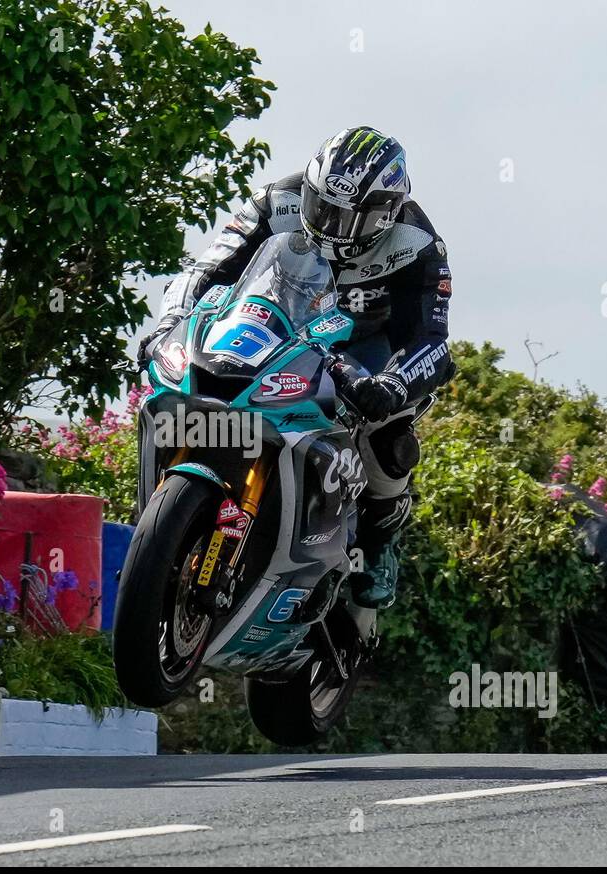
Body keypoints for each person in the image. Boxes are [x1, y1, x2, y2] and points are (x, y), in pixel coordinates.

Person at [139, 127, 455, 608]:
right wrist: (169, 326)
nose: (328, 224)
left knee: (387, 433)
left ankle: (377, 543)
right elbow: (205, 270)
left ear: (386, 214)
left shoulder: (418, 244)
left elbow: (433, 340)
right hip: (278, 319)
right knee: (191, 372)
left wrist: (392, 383)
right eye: (321, 205)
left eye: (347, 216)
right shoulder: (275, 200)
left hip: (363, 344)